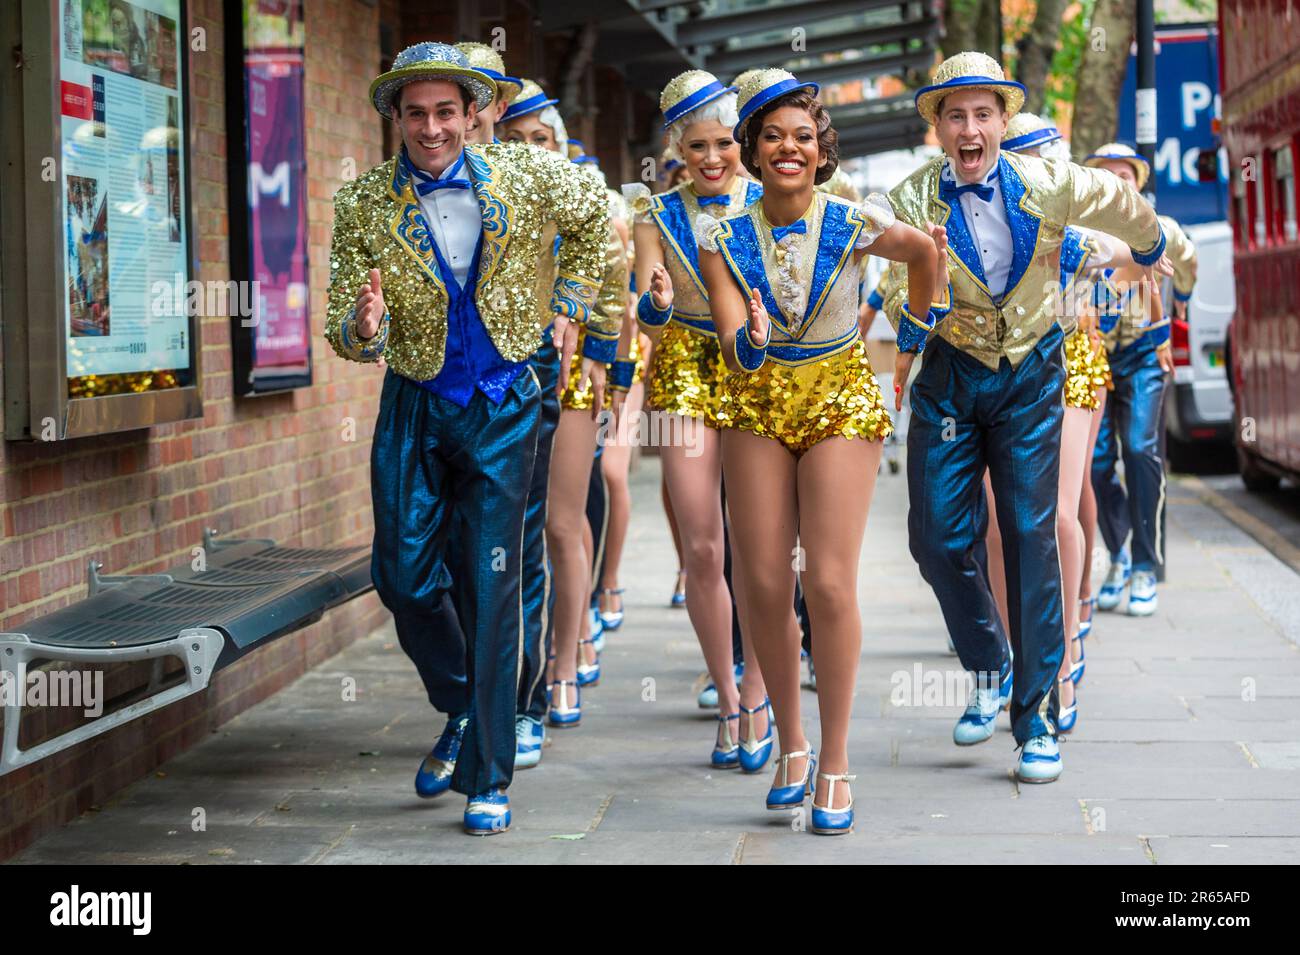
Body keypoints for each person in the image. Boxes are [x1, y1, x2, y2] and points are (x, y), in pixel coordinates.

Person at [325, 43, 608, 834]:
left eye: (446, 111)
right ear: (396, 119)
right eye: (415, 113)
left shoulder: (526, 173)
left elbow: (596, 219)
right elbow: (340, 323)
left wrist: (572, 301)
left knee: (489, 580)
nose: (431, 127)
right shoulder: (361, 204)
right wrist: (363, 324)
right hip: (415, 398)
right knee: (403, 576)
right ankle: (461, 702)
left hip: (503, 400)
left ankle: (489, 773)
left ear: (473, 114)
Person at [885, 52, 1167, 784]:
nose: (970, 127)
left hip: (1032, 377)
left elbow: (1123, 204)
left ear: (1004, 123)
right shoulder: (913, 200)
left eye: (983, 113)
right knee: (936, 539)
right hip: (950, 380)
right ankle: (987, 661)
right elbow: (893, 297)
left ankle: (1036, 714)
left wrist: (1151, 245)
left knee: (1030, 534)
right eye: (956, 115)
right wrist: (924, 297)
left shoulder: (1049, 182)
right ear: (938, 129)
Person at [699, 68, 943, 834]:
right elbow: (735, 346)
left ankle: (836, 758)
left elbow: (925, 257)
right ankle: (792, 744)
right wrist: (751, 337)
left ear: (821, 149)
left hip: (840, 396)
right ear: (751, 149)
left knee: (829, 582)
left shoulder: (859, 220)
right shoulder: (723, 238)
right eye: (772, 135)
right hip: (757, 400)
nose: (788, 148)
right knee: (765, 581)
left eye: (802, 135)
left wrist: (912, 340)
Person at [623, 69, 771, 770]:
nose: (712, 159)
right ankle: (728, 691)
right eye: (696, 148)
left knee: (759, 544)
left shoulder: (768, 201)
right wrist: (652, 299)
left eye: (723, 144)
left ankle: (762, 688)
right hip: (684, 366)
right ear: (676, 149)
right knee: (703, 545)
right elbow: (647, 310)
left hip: (756, 368)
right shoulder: (655, 213)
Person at [500, 82, 627, 729]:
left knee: (561, 522)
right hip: (502, 375)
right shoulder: (490, 203)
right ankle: (513, 667)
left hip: (574, 373)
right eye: (514, 140)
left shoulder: (592, 200)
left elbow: (611, 288)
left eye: (540, 140)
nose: (529, 152)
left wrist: (601, 360)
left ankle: (563, 658)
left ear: (561, 144)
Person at [1086, 144, 1197, 617]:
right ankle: (1119, 555)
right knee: (1093, 462)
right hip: (1095, 361)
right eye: (1106, 176)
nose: (1116, 182)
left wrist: (1183, 299)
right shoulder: (1084, 236)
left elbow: (1189, 263)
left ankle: (1147, 566)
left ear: (1138, 181)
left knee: (1138, 447)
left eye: (1124, 175)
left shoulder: (1162, 229)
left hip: (1145, 356)